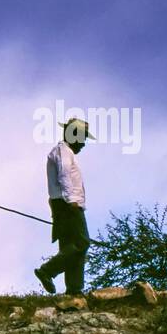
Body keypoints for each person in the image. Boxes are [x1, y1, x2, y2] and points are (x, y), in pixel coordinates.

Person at [35, 118, 95, 295]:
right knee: (81, 243)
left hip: (63, 204)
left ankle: (74, 290)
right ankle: (47, 271)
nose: (83, 144)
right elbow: (64, 176)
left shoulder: (64, 152)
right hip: (68, 204)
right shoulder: (64, 152)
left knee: (70, 245)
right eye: (83, 138)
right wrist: (72, 201)